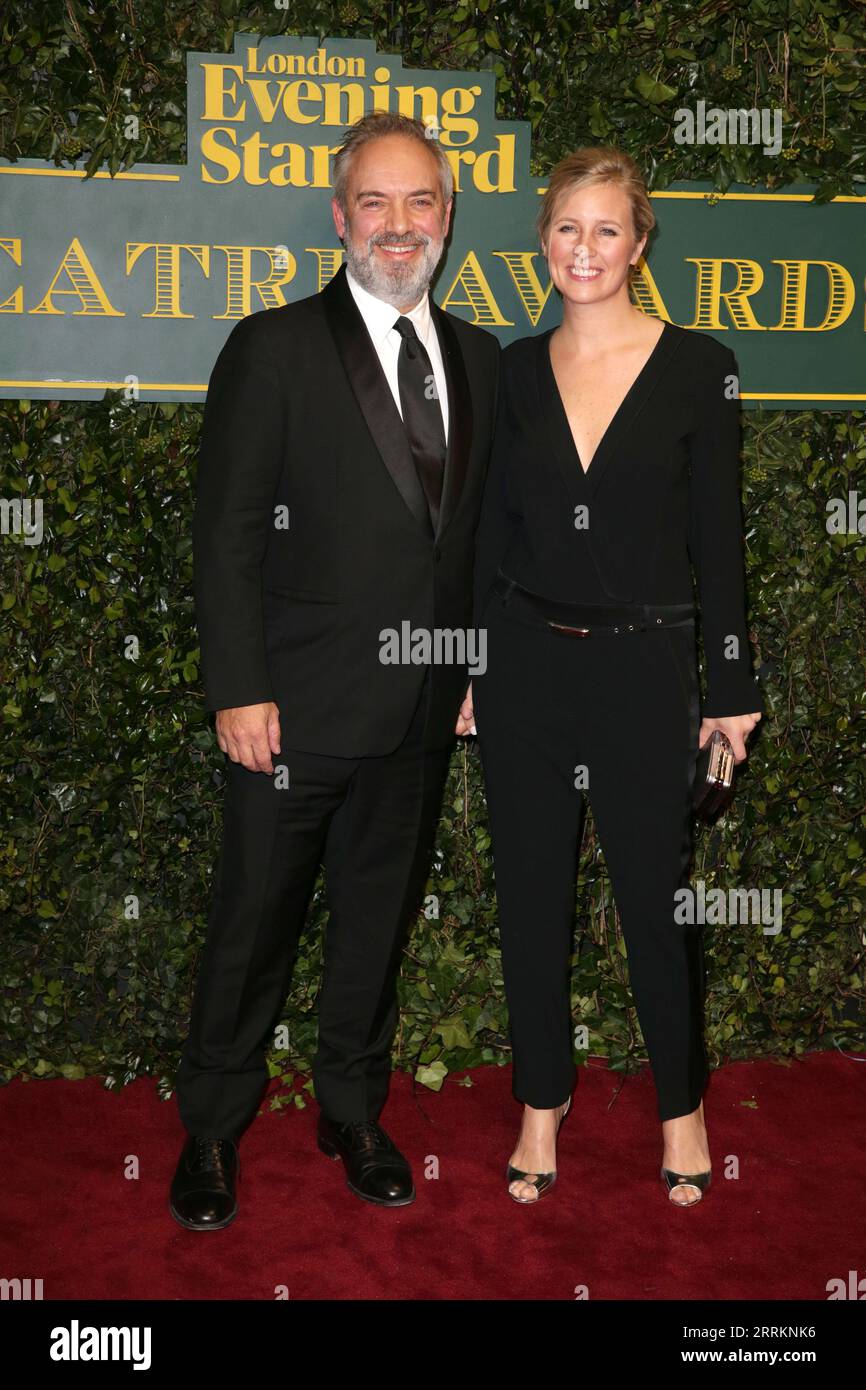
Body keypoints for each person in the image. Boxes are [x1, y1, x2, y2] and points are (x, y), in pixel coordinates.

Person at [170, 110, 500, 1229]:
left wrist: (470, 667)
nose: (398, 224)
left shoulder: (480, 359)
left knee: (375, 925)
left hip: (421, 708)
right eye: (375, 201)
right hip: (291, 711)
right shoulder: (272, 347)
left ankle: (351, 1110)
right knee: (252, 924)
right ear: (339, 216)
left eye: (420, 202)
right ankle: (212, 1125)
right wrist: (236, 685)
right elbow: (225, 534)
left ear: (446, 217)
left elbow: (474, 542)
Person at [466, 146, 763, 1207]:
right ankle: (539, 1105)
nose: (583, 248)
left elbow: (718, 542)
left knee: (656, 901)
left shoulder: (699, 366)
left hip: (646, 668)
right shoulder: (512, 371)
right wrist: (467, 665)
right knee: (530, 898)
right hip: (523, 667)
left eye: (605, 229)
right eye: (566, 227)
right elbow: (490, 535)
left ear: (638, 244)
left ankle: (681, 1109)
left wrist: (729, 690)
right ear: (543, 241)